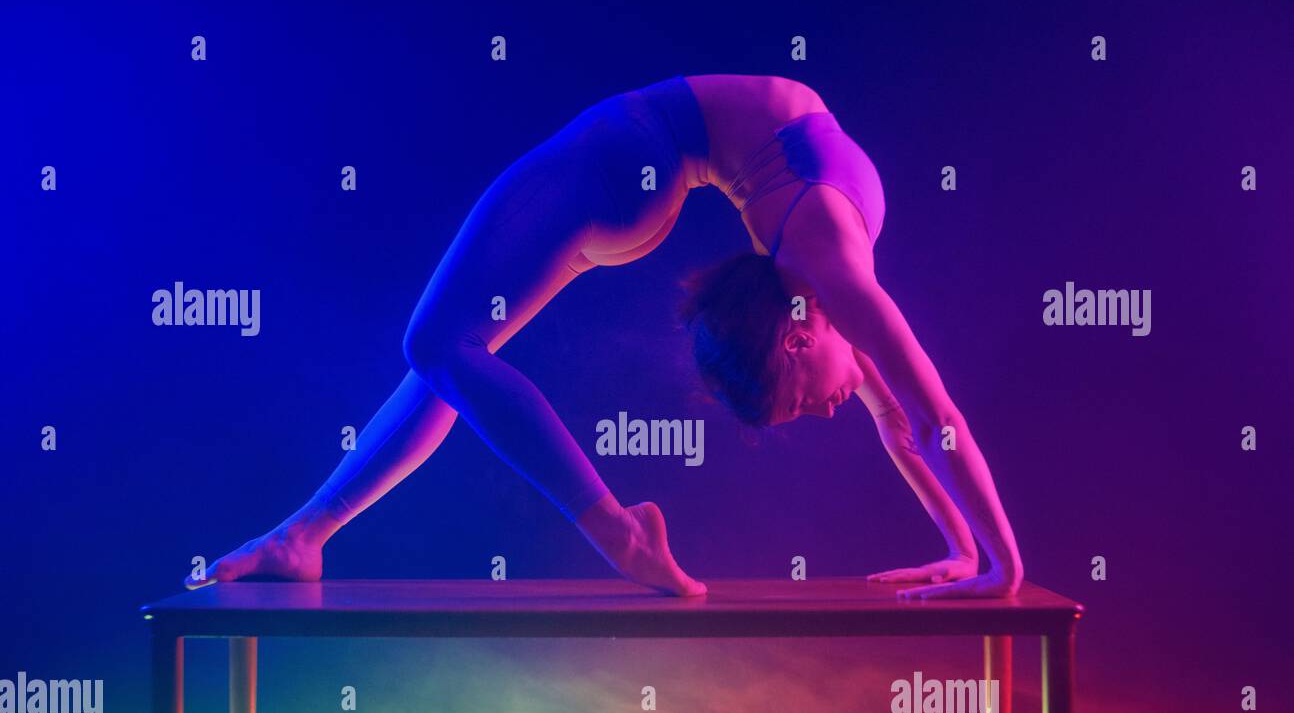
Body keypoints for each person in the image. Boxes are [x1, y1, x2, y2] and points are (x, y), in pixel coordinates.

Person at [192, 75, 1023, 599]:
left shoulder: (822, 292)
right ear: (794, 345)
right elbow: (935, 414)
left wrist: (962, 546)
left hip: (639, 160)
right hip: (634, 153)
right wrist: (1004, 567)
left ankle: (302, 537)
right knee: (443, 352)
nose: (834, 408)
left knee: (447, 352)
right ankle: (612, 530)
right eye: (806, 401)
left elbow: (905, 423)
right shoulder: (833, 270)